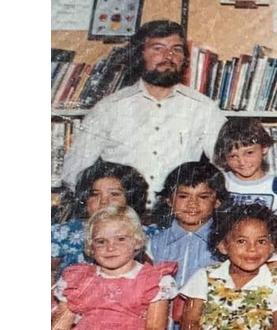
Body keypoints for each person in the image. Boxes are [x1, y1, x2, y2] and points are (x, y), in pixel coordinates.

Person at [61, 20, 227, 197]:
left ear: (184, 59)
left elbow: (227, 165)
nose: (168, 56)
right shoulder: (109, 108)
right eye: (158, 48)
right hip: (124, 214)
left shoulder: (203, 108)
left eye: (176, 49)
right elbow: (75, 171)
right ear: (140, 54)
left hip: (179, 214)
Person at [51, 161, 151, 280]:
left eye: (114, 194)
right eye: (95, 194)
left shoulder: (147, 234)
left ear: (130, 199)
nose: (103, 201)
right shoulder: (61, 234)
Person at [148, 160, 228, 287]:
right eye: (183, 196)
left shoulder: (225, 243)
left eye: (203, 197)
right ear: (169, 200)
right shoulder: (153, 243)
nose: (192, 204)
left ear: (217, 201)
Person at [214, 118, 277, 215]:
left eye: (249, 153)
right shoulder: (219, 182)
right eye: (233, 156)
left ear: (265, 148)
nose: (242, 162)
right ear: (224, 156)